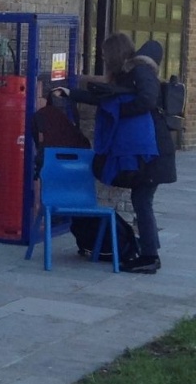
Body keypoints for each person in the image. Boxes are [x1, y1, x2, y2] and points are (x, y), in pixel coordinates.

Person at [74, 32, 176, 274]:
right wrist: (72, 93)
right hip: (150, 150)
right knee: (142, 200)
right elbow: (105, 98)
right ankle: (149, 251)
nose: (102, 58)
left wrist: (120, 111)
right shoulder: (126, 75)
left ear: (113, 54)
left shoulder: (139, 71)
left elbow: (148, 100)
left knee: (142, 201)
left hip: (153, 151)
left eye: (104, 54)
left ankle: (151, 257)